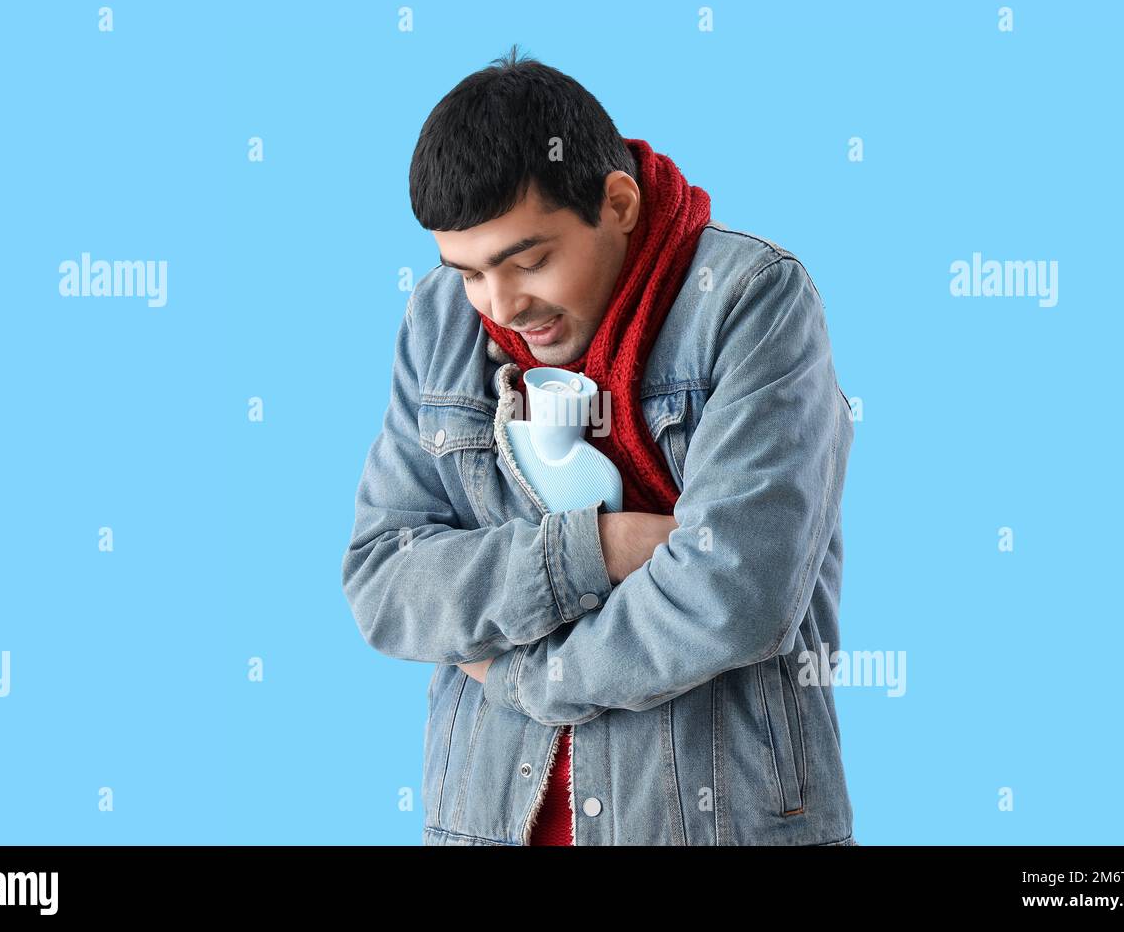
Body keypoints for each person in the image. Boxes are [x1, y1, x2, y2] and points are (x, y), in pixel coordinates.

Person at [342, 45, 858, 846]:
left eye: (530, 260)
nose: (502, 304)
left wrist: (521, 674)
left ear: (617, 203)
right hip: (483, 824)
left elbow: (736, 595)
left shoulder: (752, 301)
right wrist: (601, 548)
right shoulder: (441, 320)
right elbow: (386, 582)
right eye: (469, 270)